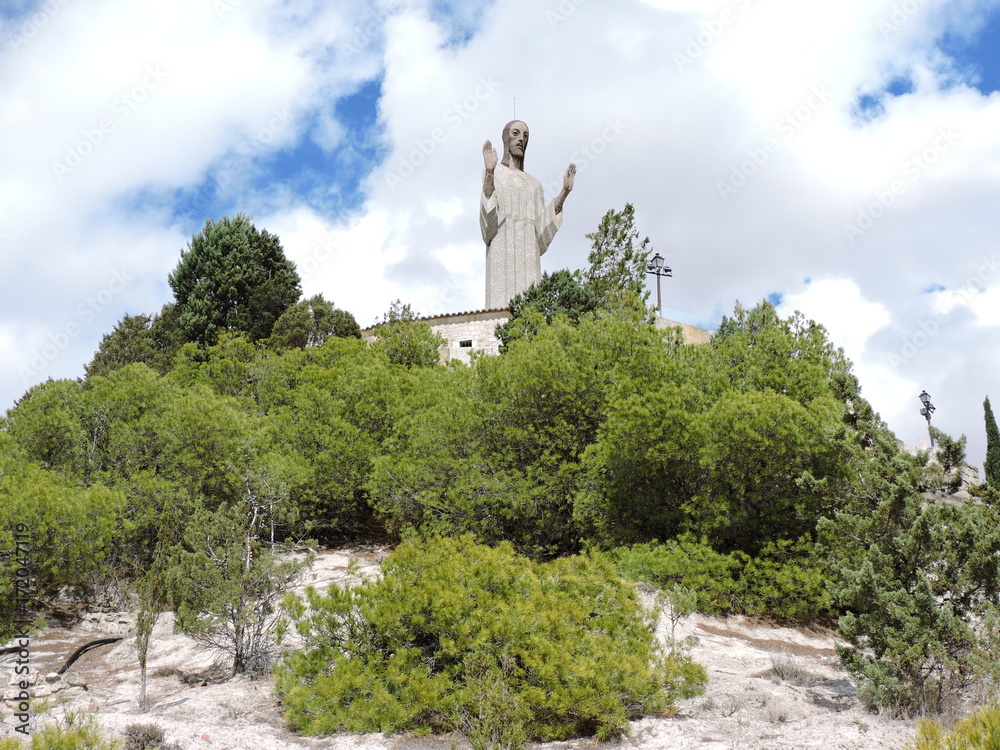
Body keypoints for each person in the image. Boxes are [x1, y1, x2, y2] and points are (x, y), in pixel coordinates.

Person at [480, 120, 576, 309]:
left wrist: (564, 192)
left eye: (525, 136)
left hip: (528, 255)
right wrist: (490, 173)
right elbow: (487, 209)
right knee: (500, 309)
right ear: (506, 139)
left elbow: (541, 225)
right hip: (501, 247)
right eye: (515, 134)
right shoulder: (494, 172)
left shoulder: (534, 184)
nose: (520, 140)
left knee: (531, 307)